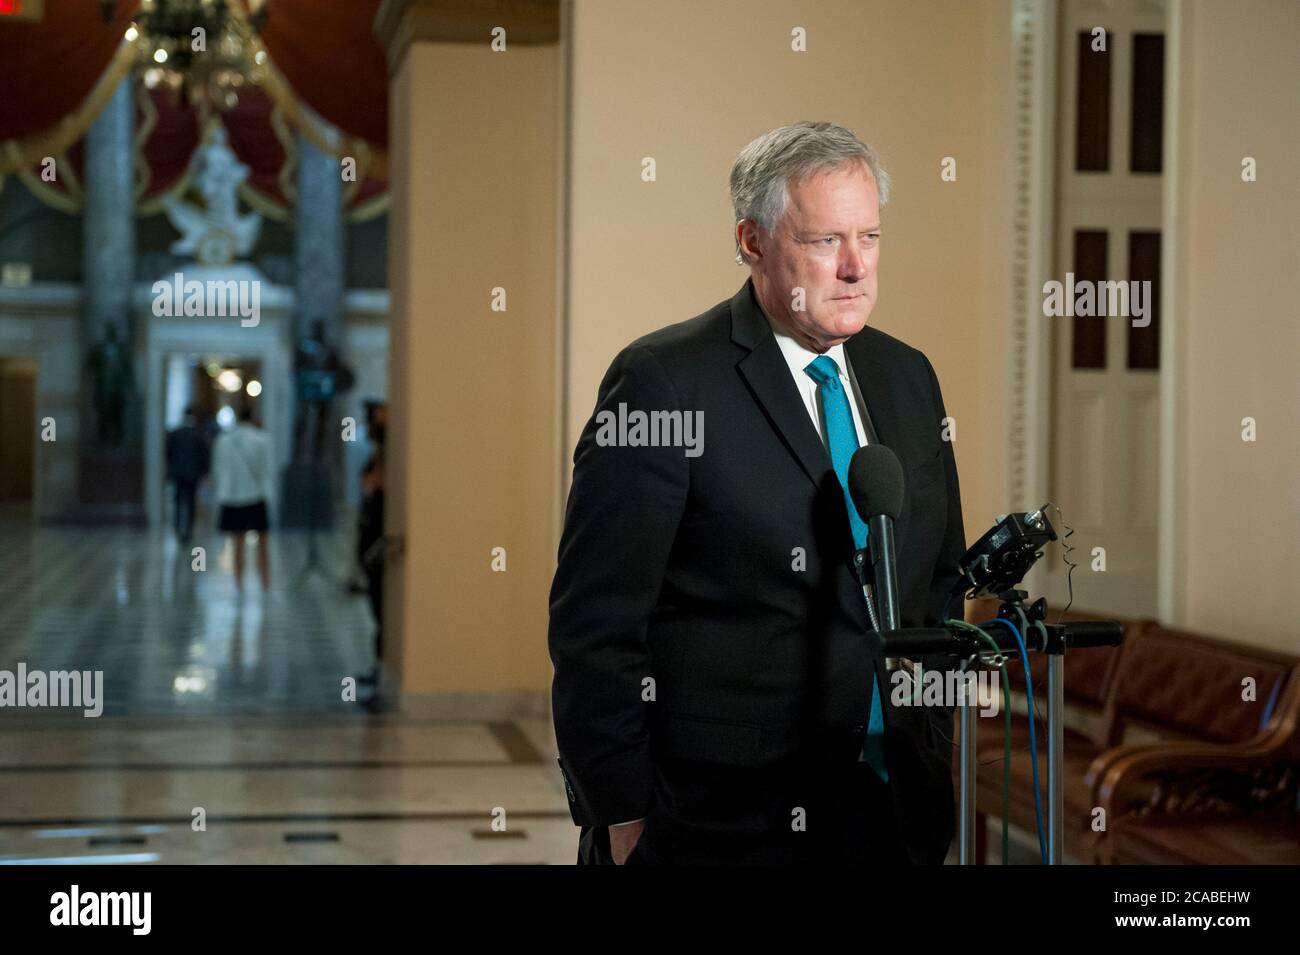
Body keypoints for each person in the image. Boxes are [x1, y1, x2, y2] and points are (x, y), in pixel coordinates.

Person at [549, 122, 967, 866]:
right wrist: (621, 813)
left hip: (891, 810)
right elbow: (597, 623)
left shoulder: (910, 378)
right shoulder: (662, 381)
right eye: (824, 240)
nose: (854, 267)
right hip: (717, 822)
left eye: (869, 236)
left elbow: (938, 582)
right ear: (753, 240)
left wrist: (929, 742)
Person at [212, 403, 275, 592]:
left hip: (232, 495)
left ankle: (239, 585)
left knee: (237, 543)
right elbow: (268, 469)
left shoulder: (224, 440)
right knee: (263, 544)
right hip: (256, 495)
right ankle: (265, 585)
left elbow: (218, 468)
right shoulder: (262, 439)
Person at [165, 405, 210, 544]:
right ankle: (188, 531)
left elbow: (168, 453)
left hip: (178, 473)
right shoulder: (198, 435)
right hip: (192, 474)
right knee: (190, 502)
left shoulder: (175, 433)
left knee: (178, 501)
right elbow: (204, 455)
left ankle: (178, 528)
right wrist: (204, 471)